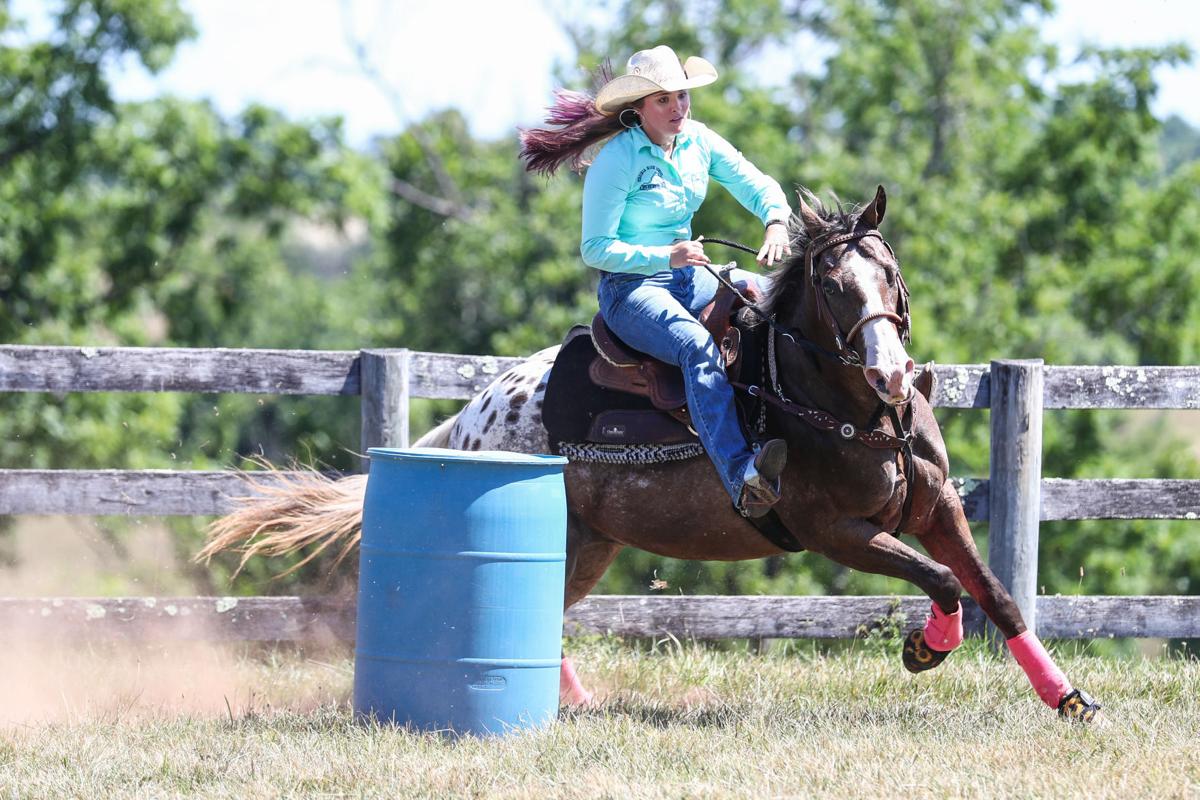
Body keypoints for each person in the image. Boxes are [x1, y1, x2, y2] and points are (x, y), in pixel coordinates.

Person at [520, 45, 792, 517]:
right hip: (630, 291)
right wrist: (665, 254)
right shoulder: (617, 160)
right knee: (696, 347)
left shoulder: (699, 141)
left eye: (682, 97)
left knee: (779, 299)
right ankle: (742, 475)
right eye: (663, 100)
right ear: (640, 107)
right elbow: (595, 248)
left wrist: (775, 220)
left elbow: (753, 181)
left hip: (689, 276)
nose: (677, 108)